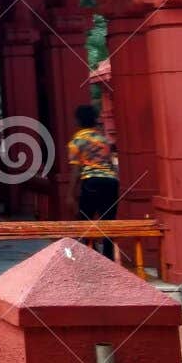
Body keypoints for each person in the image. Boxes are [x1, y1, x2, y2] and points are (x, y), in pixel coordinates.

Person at [67, 104, 119, 258]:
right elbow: (112, 166)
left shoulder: (77, 140)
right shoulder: (104, 140)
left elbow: (76, 169)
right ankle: (108, 259)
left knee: (85, 222)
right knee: (108, 224)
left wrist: (70, 194)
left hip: (91, 182)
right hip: (111, 182)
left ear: (78, 121)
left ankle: (90, 257)